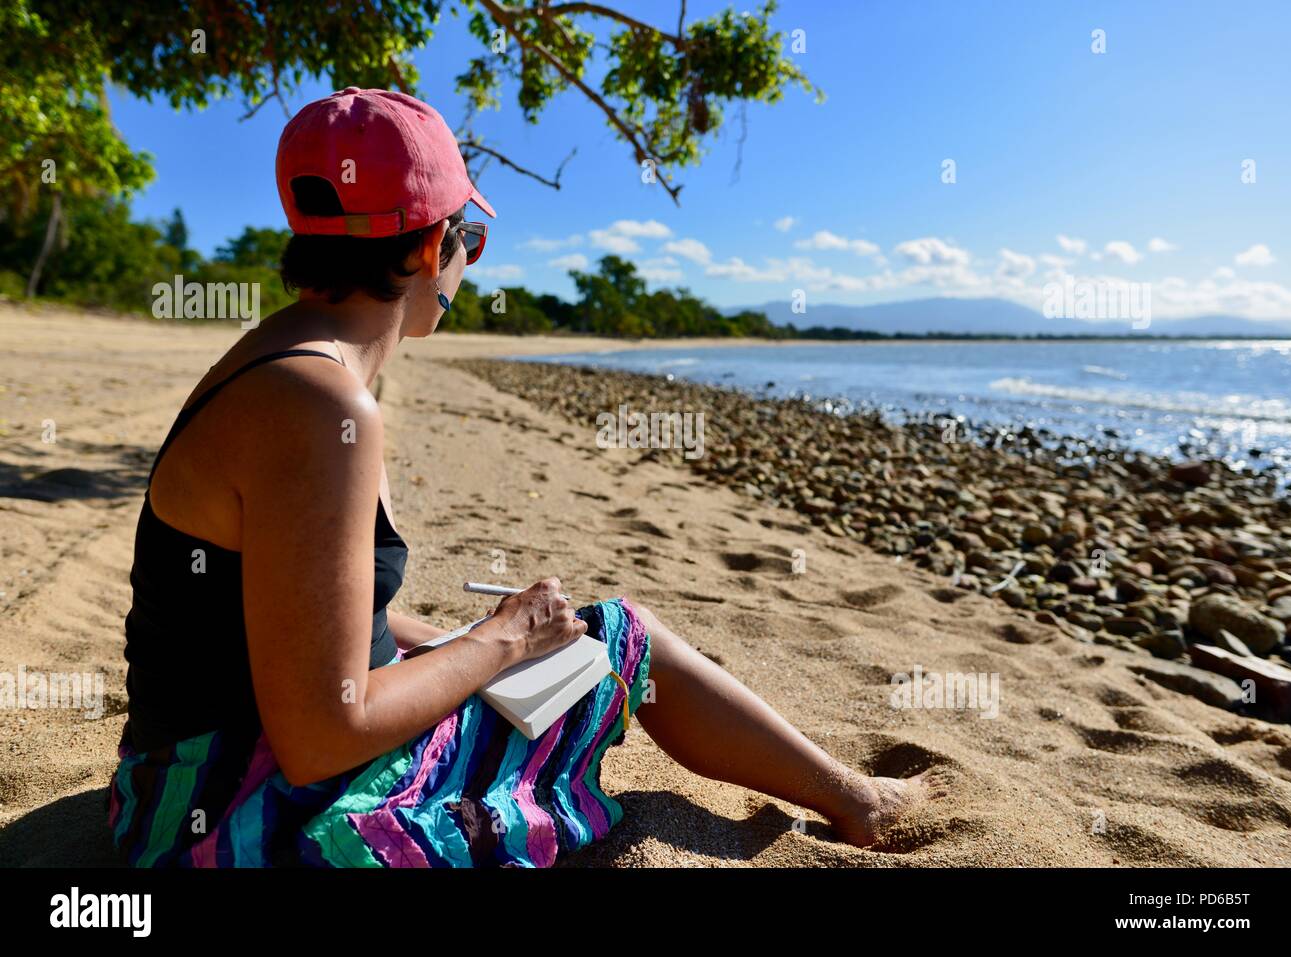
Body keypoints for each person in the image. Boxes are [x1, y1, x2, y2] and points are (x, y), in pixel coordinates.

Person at [107, 87, 939, 867]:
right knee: (627, 636)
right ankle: (860, 802)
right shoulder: (321, 407)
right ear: (435, 244)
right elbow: (325, 729)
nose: (468, 258)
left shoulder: (281, 362)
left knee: (575, 639)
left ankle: (847, 793)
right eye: (470, 236)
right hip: (240, 816)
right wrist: (500, 639)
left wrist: (493, 643)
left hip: (171, 788)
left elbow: (329, 623)